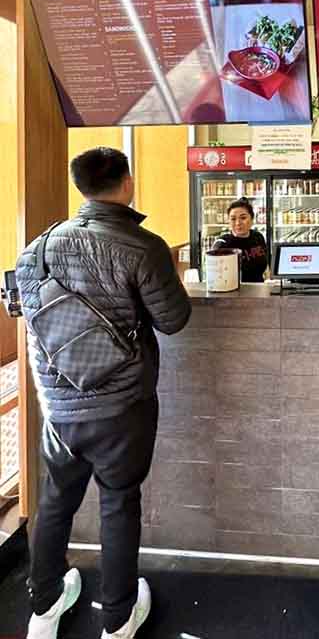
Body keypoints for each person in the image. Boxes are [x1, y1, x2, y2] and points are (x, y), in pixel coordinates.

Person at [15, 147, 192, 639]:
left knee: (55, 498)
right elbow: (174, 320)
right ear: (127, 182)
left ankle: (44, 607)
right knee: (118, 501)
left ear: (80, 187)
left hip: (58, 405)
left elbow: (23, 310)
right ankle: (116, 619)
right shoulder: (141, 245)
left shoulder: (37, 248)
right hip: (120, 404)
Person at [214, 197, 268, 282]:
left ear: (251, 219)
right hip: (233, 292)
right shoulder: (222, 244)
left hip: (259, 289)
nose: (238, 223)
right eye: (233, 219)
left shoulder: (258, 237)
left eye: (243, 218)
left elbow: (265, 266)